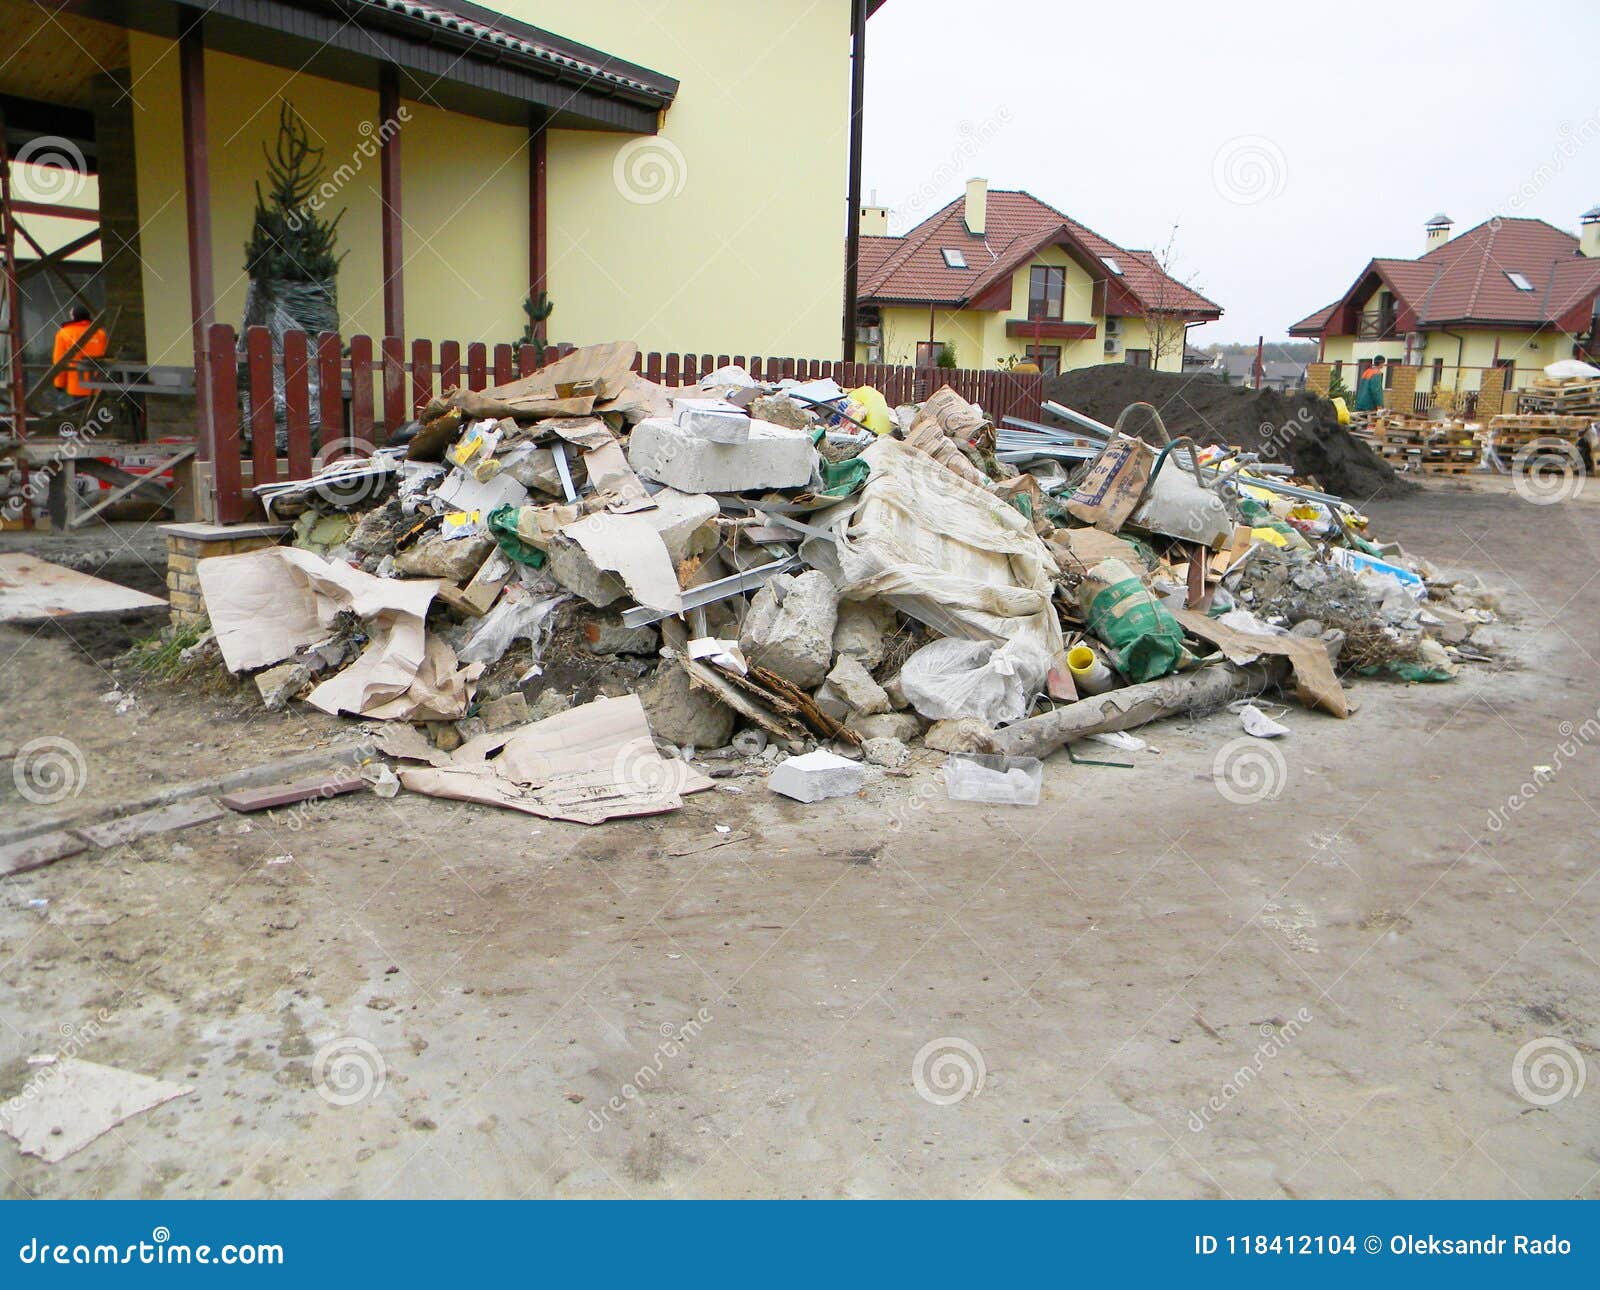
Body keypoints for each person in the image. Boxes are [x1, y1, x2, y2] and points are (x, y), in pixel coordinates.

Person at [51, 305, 107, 401]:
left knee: (79, 413)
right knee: (99, 413)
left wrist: (59, 383)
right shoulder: (100, 333)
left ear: (74, 317)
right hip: (98, 385)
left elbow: (59, 360)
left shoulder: (64, 333)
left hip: (77, 386)